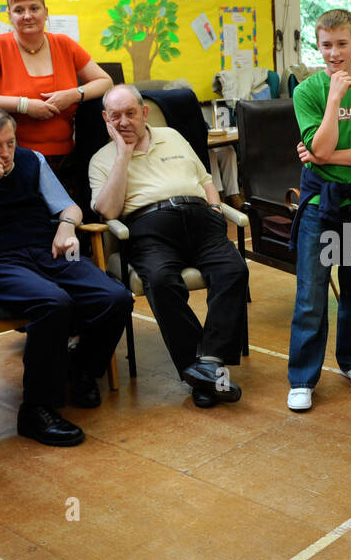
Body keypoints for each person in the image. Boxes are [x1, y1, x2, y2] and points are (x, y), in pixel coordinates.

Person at [0, 107, 133, 446]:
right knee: (54, 303)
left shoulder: (31, 160)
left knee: (117, 297)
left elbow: (69, 207)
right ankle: (35, 410)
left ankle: (80, 369)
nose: (6, 154)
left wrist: (65, 226)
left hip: (44, 251)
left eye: (10, 142)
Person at [89, 85, 248, 407]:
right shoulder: (101, 159)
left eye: (130, 113)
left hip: (202, 219)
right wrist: (123, 155)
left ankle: (207, 364)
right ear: (105, 119)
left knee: (233, 270)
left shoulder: (172, 135)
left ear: (144, 113)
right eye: (115, 116)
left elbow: (205, 178)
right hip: (150, 228)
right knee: (161, 282)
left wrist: (216, 209)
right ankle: (207, 373)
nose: (123, 122)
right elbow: (108, 212)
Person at [286, 9, 351, 412]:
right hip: (318, 207)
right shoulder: (307, 91)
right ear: (318, 45)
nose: (334, 53)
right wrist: (334, 98)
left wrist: (326, 155)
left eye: (342, 44)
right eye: (326, 45)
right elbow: (321, 146)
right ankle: (302, 377)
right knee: (311, 295)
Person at [0, 0, 113, 201]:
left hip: (68, 161)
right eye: (19, 10)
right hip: (16, 160)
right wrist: (24, 105)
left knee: (70, 219)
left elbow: (105, 81)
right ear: (9, 16)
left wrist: (73, 93)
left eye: (34, 8)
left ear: (46, 12)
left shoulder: (65, 44)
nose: (27, 15)